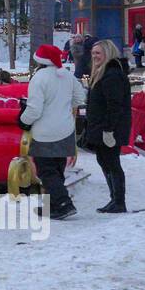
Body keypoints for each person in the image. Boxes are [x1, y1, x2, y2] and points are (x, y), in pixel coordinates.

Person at [20, 44, 86, 221]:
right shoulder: (67, 75)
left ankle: (64, 204)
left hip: (44, 132)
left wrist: (23, 121)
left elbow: (34, 109)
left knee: (46, 171)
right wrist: (63, 107)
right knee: (57, 170)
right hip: (65, 129)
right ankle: (53, 206)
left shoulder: (39, 78)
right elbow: (80, 98)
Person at [86, 39, 132, 213]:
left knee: (112, 162)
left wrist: (109, 129)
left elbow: (115, 105)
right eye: (93, 53)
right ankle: (114, 199)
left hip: (109, 128)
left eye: (98, 53)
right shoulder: (103, 72)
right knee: (104, 161)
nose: (94, 56)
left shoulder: (112, 74)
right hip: (102, 126)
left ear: (107, 53)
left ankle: (119, 201)